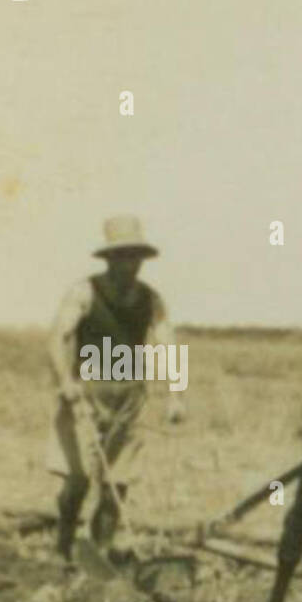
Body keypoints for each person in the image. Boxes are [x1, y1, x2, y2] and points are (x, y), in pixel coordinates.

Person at [46, 215, 183, 562]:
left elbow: (168, 342)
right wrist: (65, 381)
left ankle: (101, 554)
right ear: (109, 258)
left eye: (136, 256)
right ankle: (63, 546)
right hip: (85, 394)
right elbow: (57, 338)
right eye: (123, 256)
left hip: (129, 397)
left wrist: (176, 395)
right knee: (77, 479)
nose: (131, 263)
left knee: (116, 483)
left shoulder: (150, 299)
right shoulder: (84, 291)